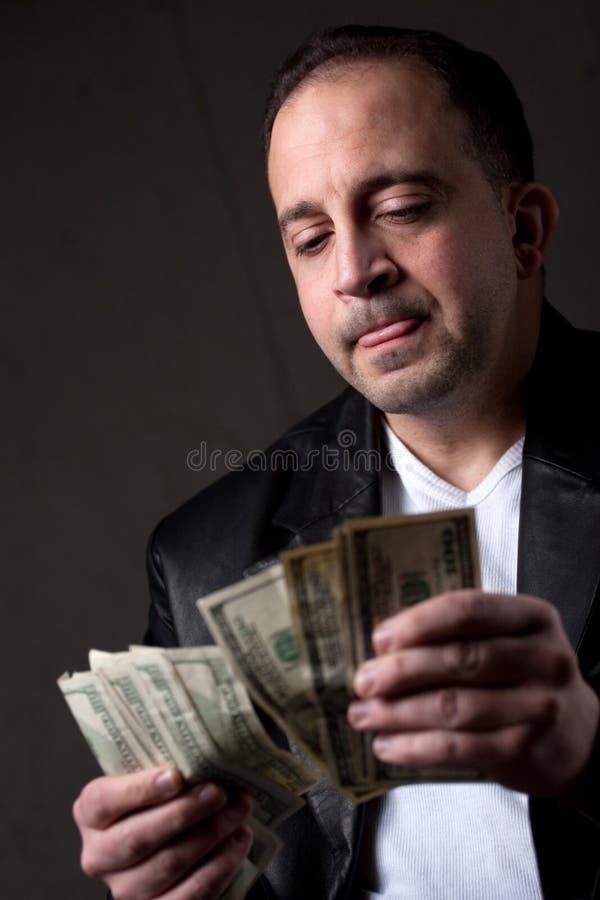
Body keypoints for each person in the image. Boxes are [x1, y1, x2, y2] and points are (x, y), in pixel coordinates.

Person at [72, 25, 600, 900]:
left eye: (400, 207)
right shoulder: (206, 560)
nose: (355, 270)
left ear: (524, 229)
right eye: (311, 238)